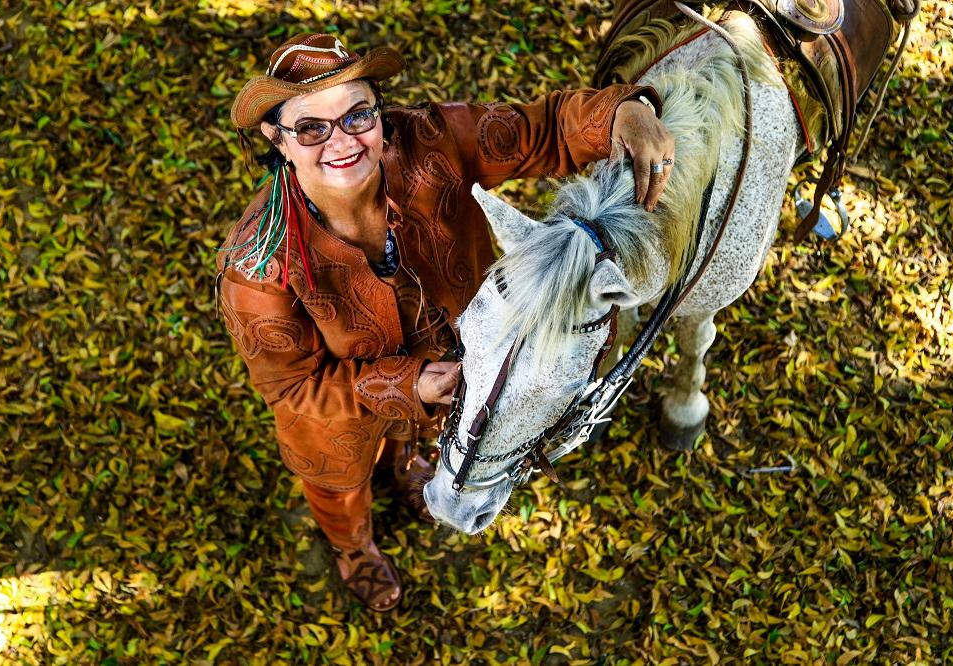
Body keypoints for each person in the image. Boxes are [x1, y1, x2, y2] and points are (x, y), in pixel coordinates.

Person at [217, 32, 674, 612]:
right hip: (336, 414)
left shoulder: (431, 141)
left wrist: (621, 113)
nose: (343, 142)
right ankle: (354, 549)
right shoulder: (257, 265)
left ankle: (407, 462)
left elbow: (542, 130)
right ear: (276, 138)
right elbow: (291, 388)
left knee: (432, 431)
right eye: (311, 128)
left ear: (380, 109)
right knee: (340, 483)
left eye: (358, 115)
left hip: (451, 361)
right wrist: (406, 384)